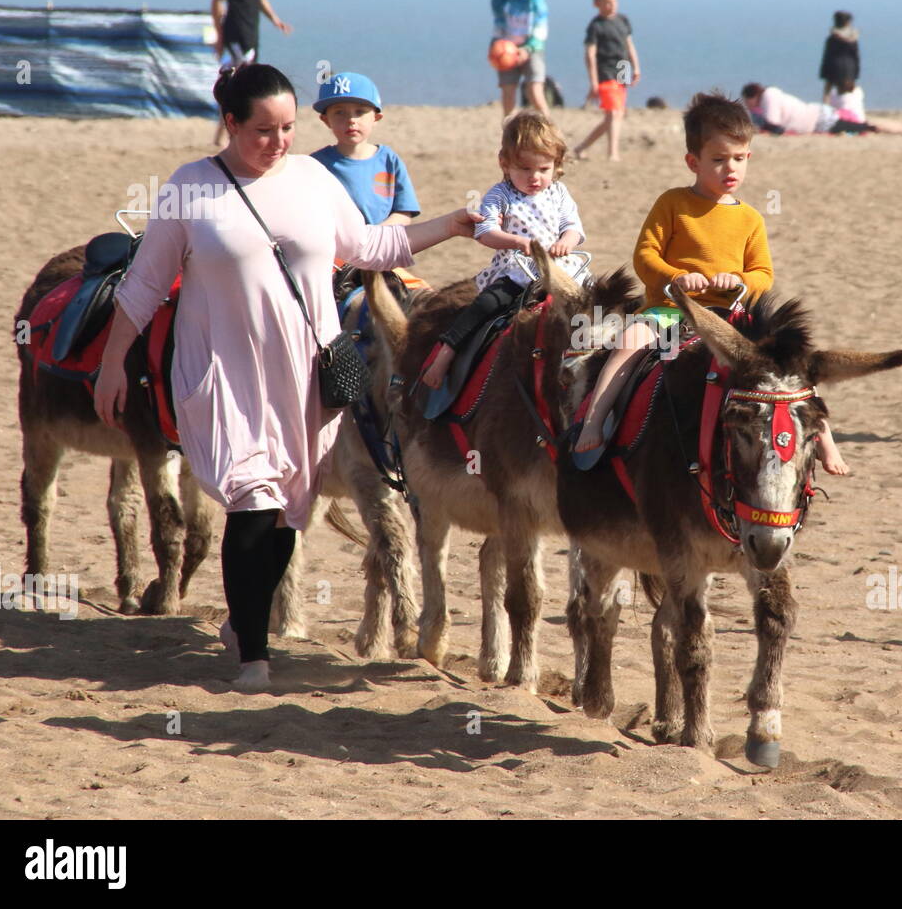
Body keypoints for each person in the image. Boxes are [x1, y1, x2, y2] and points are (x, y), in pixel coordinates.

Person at [94, 64, 479, 690]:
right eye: (263, 131)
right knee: (254, 501)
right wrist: (113, 363)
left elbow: (370, 248)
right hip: (222, 373)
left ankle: (243, 622)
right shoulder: (190, 188)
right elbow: (142, 287)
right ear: (230, 124)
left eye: (288, 129)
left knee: (284, 513)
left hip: (303, 375)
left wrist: (451, 224)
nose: (278, 143)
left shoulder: (312, 177)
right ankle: (253, 656)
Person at [572, 92, 849, 476]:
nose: (729, 168)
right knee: (628, 345)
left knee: (790, 364)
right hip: (669, 313)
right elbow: (645, 256)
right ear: (693, 161)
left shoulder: (751, 219)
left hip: (729, 319)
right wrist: (676, 278)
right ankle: (594, 419)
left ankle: (823, 440)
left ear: (748, 157)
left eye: (738, 159)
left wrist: (736, 281)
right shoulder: (673, 204)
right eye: (717, 160)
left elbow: (762, 275)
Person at [422, 112, 586, 389]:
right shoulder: (500, 195)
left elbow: (574, 227)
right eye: (524, 168)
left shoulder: (559, 192)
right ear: (505, 163)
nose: (534, 177)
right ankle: (446, 353)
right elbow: (486, 232)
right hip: (517, 270)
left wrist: (566, 242)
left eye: (543, 169)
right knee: (484, 306)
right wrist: (516, 242)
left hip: (560, 267)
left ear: (556, 165)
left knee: (593, 305)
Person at [210, 0, 291, 146]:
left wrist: (275, 19)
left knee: (243, 86)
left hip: (252, 35)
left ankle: (225, 135)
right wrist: (219, 35)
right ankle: (224, 135)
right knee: (235, 86)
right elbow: (217, 0)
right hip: (235, 36)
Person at [310, 71, 418, 226]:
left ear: (376, 117)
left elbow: (404, 212)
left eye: (360, 112)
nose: (351, 120)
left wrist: (374, 237)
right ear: (326, 120)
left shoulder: (389, 160)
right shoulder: (316, 164)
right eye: (339, 112)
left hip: (382, 244)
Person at [572, 0, 641, 162]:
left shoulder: (623, 20)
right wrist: (593, 81)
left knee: (616, 114)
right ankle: (613, 153)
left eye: (615, 1)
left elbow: (629, 45)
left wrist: (636, 67)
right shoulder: (595, 26)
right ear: (597, 3)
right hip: (605, 71)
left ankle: (581, 147)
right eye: (608, 2)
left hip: (622, 69)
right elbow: (590, 54)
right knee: (613, 113)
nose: (613, 6)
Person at [486, 0, 549, 118]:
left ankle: (552, 136)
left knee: (534, 92)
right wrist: (494, 46)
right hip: (506, 52)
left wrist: (527, 49)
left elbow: (541, 26)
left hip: (532, 49)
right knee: (507, 94)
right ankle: (509, 137)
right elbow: (498, 27)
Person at [740, 83, 902, 136]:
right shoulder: (772, 95)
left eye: (747, 102)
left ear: (752, 97)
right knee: (863, 125)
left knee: (865, 127)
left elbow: (775, 125)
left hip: (819, 120)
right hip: (818, 115)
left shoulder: (769, 98)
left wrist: (760, 125)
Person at [819, 11, 860, 104]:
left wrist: (824, 72)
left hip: (834, 65)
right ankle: (848, 109)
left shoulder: (832, 38)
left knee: (827, 91)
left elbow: (827, 55)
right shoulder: (853, 38)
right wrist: (856, 72)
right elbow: (856, 56)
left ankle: (826, 109)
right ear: (847, 22)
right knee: (848, 91)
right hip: (850, 66)